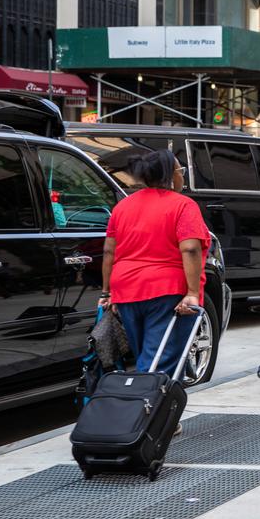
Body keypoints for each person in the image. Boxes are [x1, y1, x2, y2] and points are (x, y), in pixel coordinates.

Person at [99, 150, 210, 385]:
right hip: (166, 292)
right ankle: (149, 416)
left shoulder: (123, 206)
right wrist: (191, 293)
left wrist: (107, 292)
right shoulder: (183, 205)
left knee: (145, 355)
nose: (183, 177)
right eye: (181, 171)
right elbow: (190, 249)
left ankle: (158, 415)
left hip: (126, 289)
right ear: (171, 175)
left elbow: (109, 251)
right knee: (160, 362)